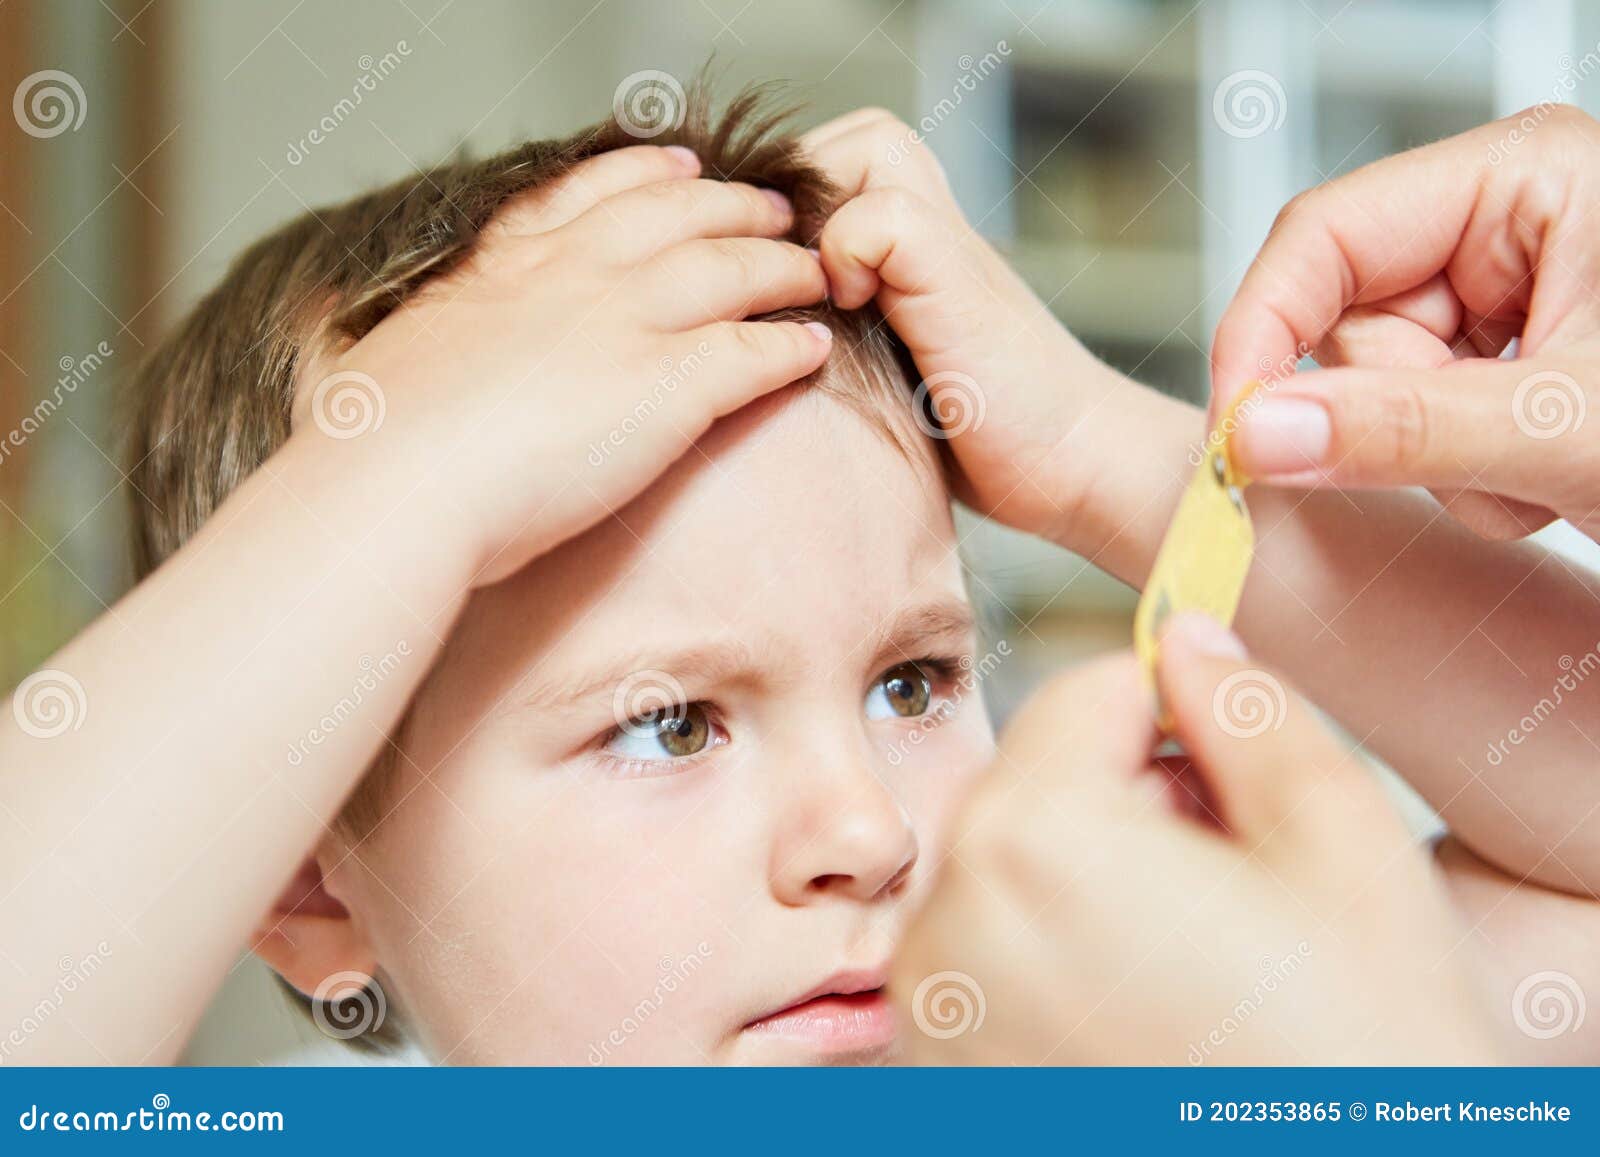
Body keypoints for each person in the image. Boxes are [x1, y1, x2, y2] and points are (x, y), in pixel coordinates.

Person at [1, 90, 1595, 1067]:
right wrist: (406, 474)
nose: (869, 833)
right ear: (308, 885)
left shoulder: (1116, 1050)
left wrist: (1093, 445)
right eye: (671, 722)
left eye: (915, 680)